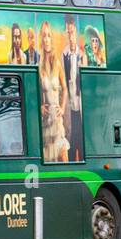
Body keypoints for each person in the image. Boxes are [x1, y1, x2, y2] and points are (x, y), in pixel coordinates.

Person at [38, 20, 69, 162]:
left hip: (57, 119)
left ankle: (71, 184)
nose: (46, 39)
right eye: (44, 36)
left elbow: (65, 88)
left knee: (63, 155)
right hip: (46, 121)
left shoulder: (57, 63)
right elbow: (36, 93)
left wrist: (62, 108)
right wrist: (40, 106)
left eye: (49, 36)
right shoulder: (39, 66)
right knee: (49, 160)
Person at [62, 15, 86, 162]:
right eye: (68, 33)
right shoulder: (64, 54)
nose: (71, 36)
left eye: (72, 32)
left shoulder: (82, 54)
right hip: (70, 108)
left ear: (75, 32)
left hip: (80, 106)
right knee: (71, 142)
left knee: (81, 145)